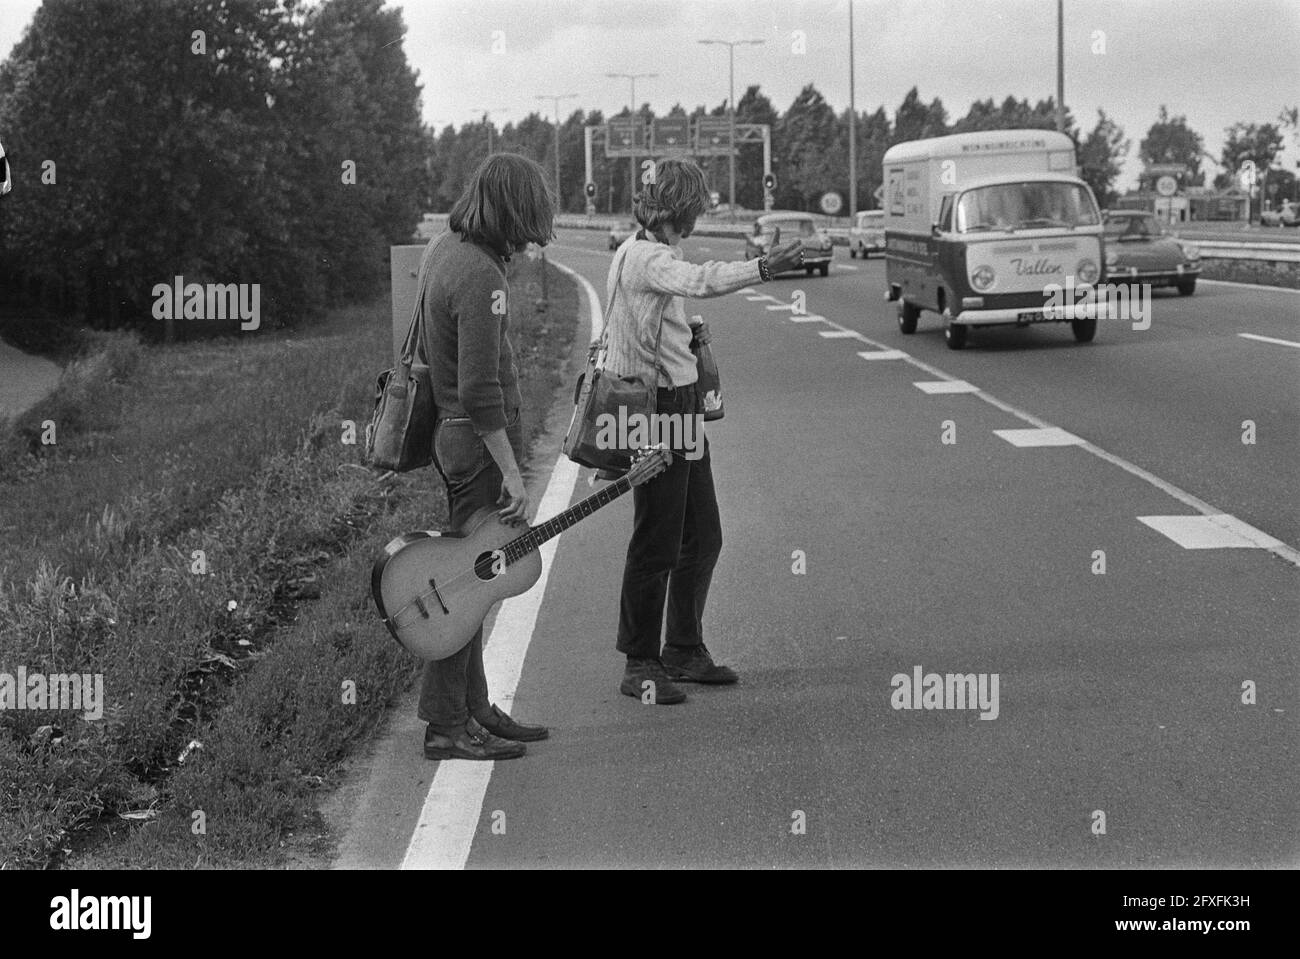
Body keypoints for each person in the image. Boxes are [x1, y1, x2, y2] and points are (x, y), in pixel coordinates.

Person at [602, 157, 803, 704]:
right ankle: (640, 663)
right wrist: (764, 267)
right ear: (677, 208)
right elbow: (701, 280)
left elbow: (651, 316)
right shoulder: (646, 257)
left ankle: (683, 649)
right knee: (657, 540)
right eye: (694, 208)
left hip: (681, 407)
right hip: (660, 411)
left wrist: (683, 329)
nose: (698, 217)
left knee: (702, 534)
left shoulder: (650, 253)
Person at [416, 153, 554, 760]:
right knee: (470, 584)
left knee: (477, 576)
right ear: (513, 209)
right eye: (532, 213)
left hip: (454, 440)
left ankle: (473, 710)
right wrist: (511, 471)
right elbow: (478, 389)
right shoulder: (481, 275)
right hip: (475, 446)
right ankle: (446, 726)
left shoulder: (445, 248)